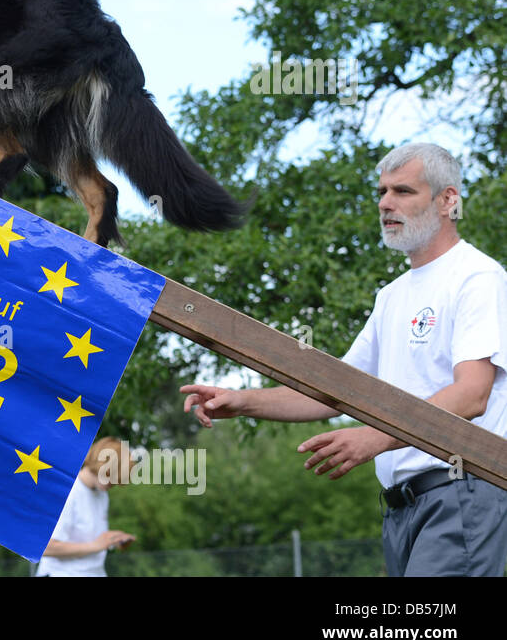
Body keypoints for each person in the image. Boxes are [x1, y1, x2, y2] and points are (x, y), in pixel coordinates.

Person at [182, 142, 507, 576]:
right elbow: (336, 392)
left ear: (449, 200)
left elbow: (471, 395)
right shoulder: (391, 297)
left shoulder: (477, 277)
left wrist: (375, 438)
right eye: (382, 191)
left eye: (403, 191)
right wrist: (241, 401)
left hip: (461, 492)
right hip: (402, 508)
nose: (385, 203)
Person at [35, 435, 136, 577]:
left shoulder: (102, 494)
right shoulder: (69, 492)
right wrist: (96, 545)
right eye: (113, 477)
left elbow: (89, 538)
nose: (114, 484)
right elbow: (45, 548)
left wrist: (111, 540)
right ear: (102, 465)